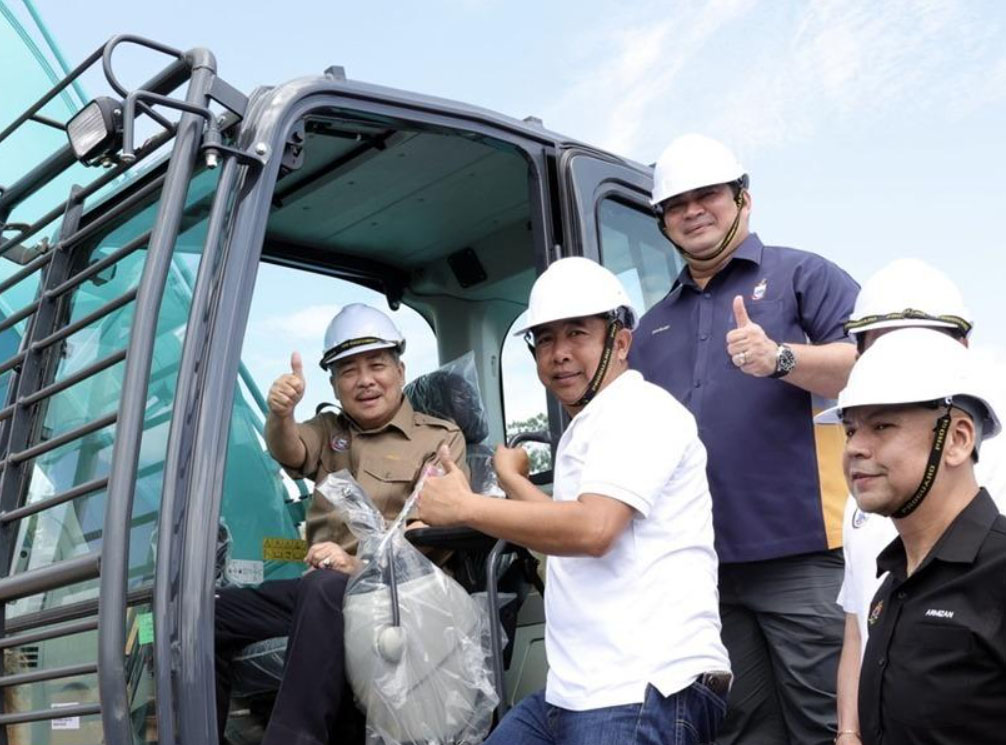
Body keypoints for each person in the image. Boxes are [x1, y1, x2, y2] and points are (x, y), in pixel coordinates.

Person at [417, 257, 731, 745]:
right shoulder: (590, 427)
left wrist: (464, 506)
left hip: (642, 689)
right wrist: (510, 481)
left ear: (621, 342)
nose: (559, 353)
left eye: (577, 334)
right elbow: (565, 528)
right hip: (573, 694)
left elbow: (594, 530)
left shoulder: (639, 409)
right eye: (545, 339)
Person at [630, 133, 859, 745]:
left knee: (829, 722)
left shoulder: (803, 274)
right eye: (676, 204)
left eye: (708, 195)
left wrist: (780, 358)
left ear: (743, 200)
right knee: (739, 729)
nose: (693, 211)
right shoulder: (651, 328)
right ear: (664, 223)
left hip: (804, 551)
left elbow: (874, 365)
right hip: (701, 566)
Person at [214, 303, 466, 745]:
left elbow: (430, 531)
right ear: (334, 382)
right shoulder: (330, 428)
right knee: (204, 614)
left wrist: (358, 564)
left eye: (376, 365)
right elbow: (289, 450)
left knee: (321, 586)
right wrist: (280, 414)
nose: (365, 380)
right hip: (321, 583)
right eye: (348, 370)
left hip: (397, 590)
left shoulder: (439, 437)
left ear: (400, 370)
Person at [833, 259, 1006, 744]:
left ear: (958, 440)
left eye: (882, 425)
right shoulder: (891, 582)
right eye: (850, 429)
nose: (855, 448)